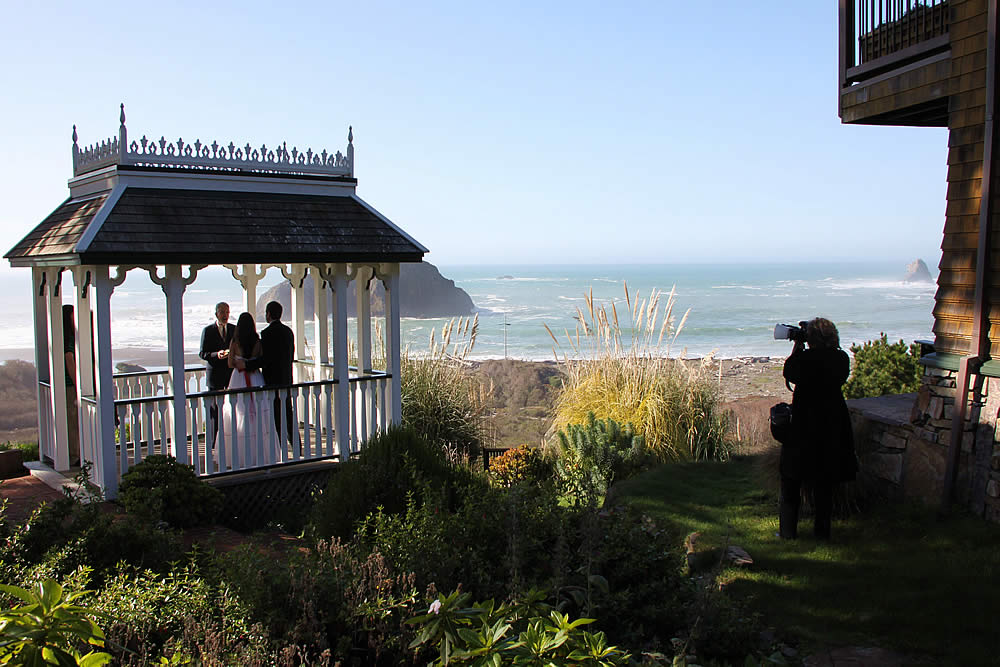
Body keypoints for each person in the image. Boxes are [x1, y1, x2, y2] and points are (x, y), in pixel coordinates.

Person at [780, 317, 858, 540]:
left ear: (810, 338)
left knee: (792, 476)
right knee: (825, 481)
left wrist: (798, 346)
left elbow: (790, 372)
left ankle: (788, 532)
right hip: (833, 421)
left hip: (805, 421)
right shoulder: (841, 358)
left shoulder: (804, 359)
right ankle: (822, 533)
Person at [222, 312, 272, 462]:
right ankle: (259, 452)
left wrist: (239, 363)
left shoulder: (235, 341)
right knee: (257, 413)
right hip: (255, 377)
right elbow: (261, 360)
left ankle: (239, 455)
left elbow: (230, 363)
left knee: (239, 412)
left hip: (238, 378)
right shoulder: (257, 341)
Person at [244, 301, 295, 446]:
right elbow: (291, 355)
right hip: (286, 377)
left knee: (275, 413)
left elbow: (265, 359)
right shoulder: (288, 331)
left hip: (272, 379)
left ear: (268, 314)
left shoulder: (266, 333)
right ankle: (295, 442)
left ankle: (278, 443)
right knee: (287, 411)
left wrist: (247, 365)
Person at [199, 302, 235, 441]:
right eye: (222, 312)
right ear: (216, 314)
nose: (225, 315)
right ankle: (214, 441)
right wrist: (216, 354)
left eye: (227, 312)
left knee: (231, 407)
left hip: (230, 375)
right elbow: (202, 353)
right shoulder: (208, 330)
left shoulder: (234, 329)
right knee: (215, 410)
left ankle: (229, 437)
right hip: (215, 376)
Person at [63, 304, 80, 467]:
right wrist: (77, 384)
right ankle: (75, 455)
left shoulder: (65, 336)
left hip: (69, 385)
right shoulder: (68, 338)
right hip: (70, 386)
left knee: (74, 420)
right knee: (73, 421)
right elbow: (69, 361)